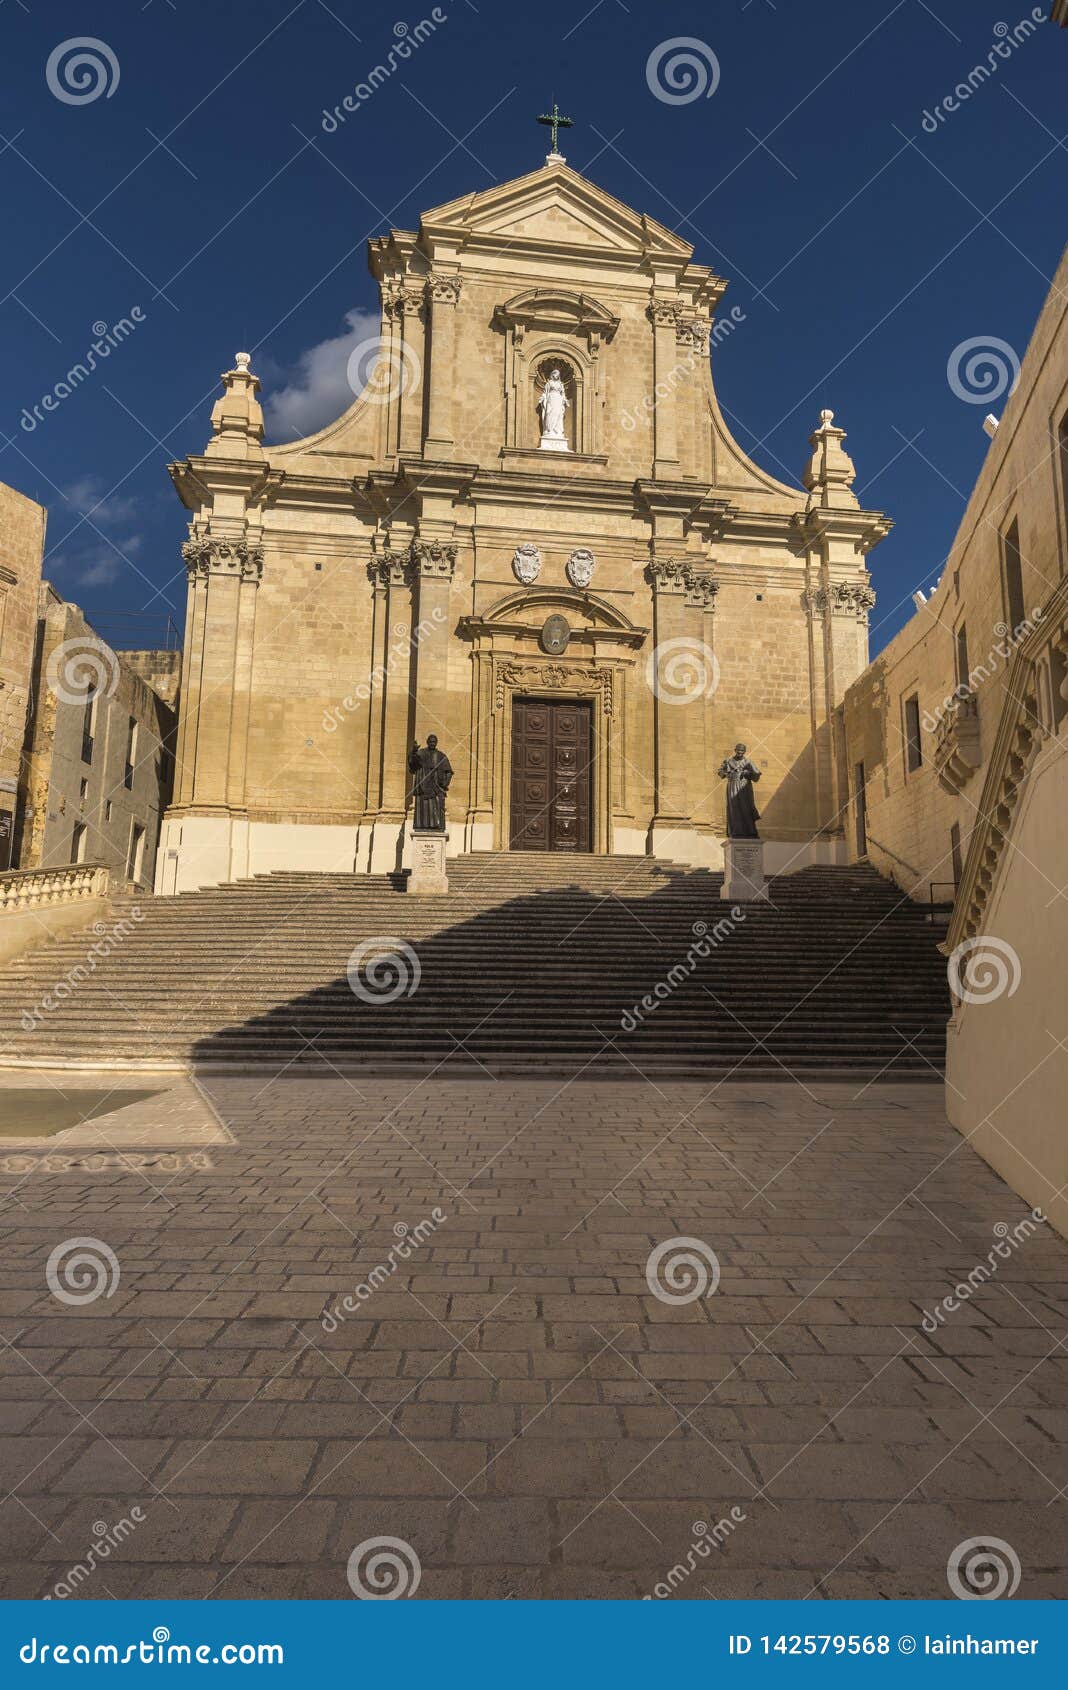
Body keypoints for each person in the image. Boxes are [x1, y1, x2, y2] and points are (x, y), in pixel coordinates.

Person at [408, 735, 453, 832]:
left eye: (434, 742)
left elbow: (449, 771)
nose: (432, 743)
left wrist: (445, 784)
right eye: (431, 741)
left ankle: (436, 826)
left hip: (436, 786)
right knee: (423, 806)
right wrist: (413, 752)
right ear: (427, 742)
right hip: (423, 785)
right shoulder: (421, 753)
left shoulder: (441, 756)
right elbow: (413, 763)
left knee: (437, 806)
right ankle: (421, 825)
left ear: (436, 743)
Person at [717, 743, 761, 839]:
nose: (740, 753)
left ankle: (750, 831)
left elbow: (757, 773)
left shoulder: (748, 762)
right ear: (735, 750)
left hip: (744, 786)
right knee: (734, 808)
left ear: (744, 752)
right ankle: (736, 831)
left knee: (746, 808)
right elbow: (720, 771)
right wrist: (725, 773)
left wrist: (748, 773)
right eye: (739, 751)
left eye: (742, 751)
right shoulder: (728, 761)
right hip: (732, 786)